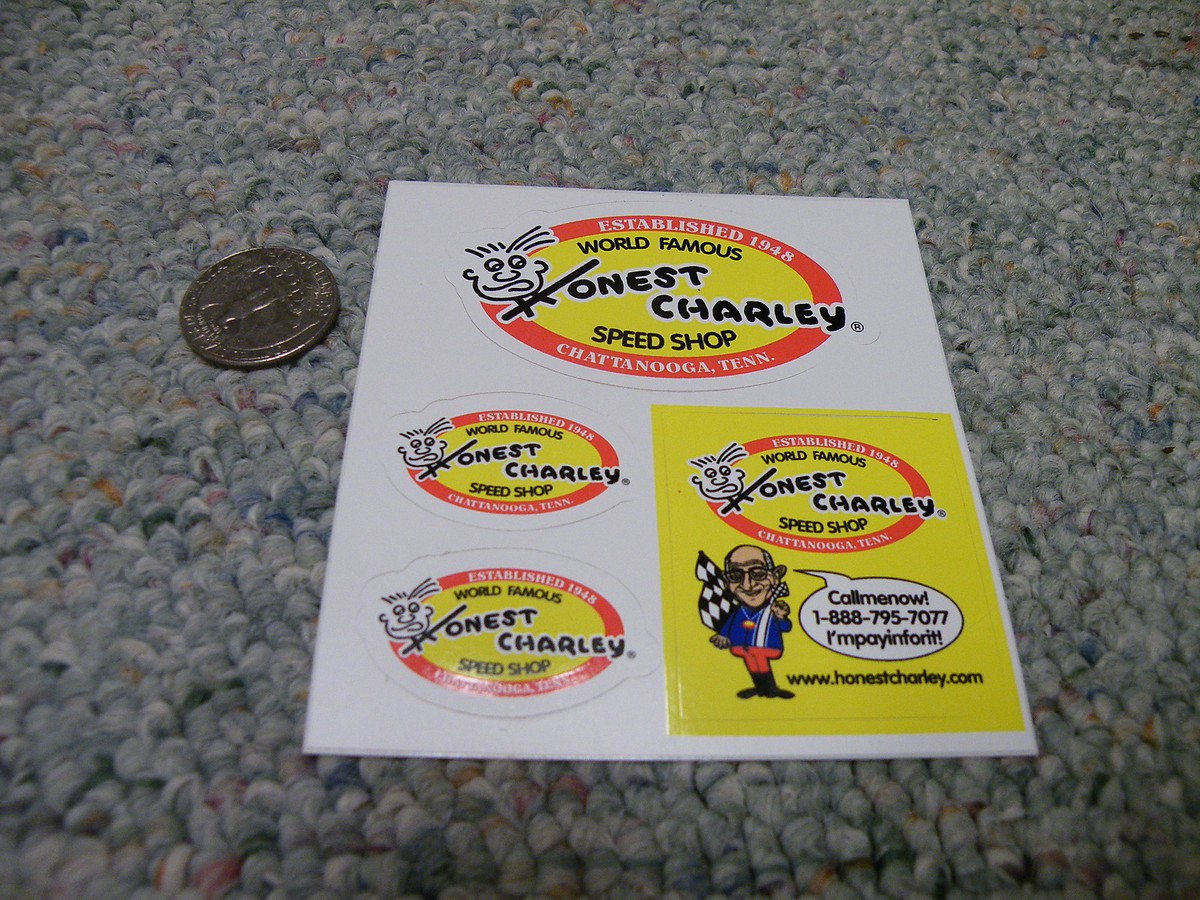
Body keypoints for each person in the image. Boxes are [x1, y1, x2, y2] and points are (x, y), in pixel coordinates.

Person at [710, 544, 795, 699]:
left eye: (758, 573)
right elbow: (729, 624)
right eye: (735, 576)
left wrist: (781, 617)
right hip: (742, 646)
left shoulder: (772, 608)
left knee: (759, 658)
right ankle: (760, 688)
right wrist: (723, 635)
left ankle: (770, 689)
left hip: (768, 646)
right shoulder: (739, 610)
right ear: (726, 582)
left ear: (775, 576)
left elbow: (786, 627)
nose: (747, 584)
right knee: (751, 660)